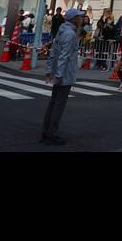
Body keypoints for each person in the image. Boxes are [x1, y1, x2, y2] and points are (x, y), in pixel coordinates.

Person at [41, 8, 84, 145]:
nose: (81, 19)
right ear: (74, 19)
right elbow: (64, 56)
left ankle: (46, 130)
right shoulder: (70, 34)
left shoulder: (61, 30)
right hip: (65, 74)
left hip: (59, 73)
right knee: (59, 104)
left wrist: (50, 70)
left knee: (53, 103)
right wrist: (59, 75)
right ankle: (51, 132)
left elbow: (54, 52)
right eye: (79, 17)